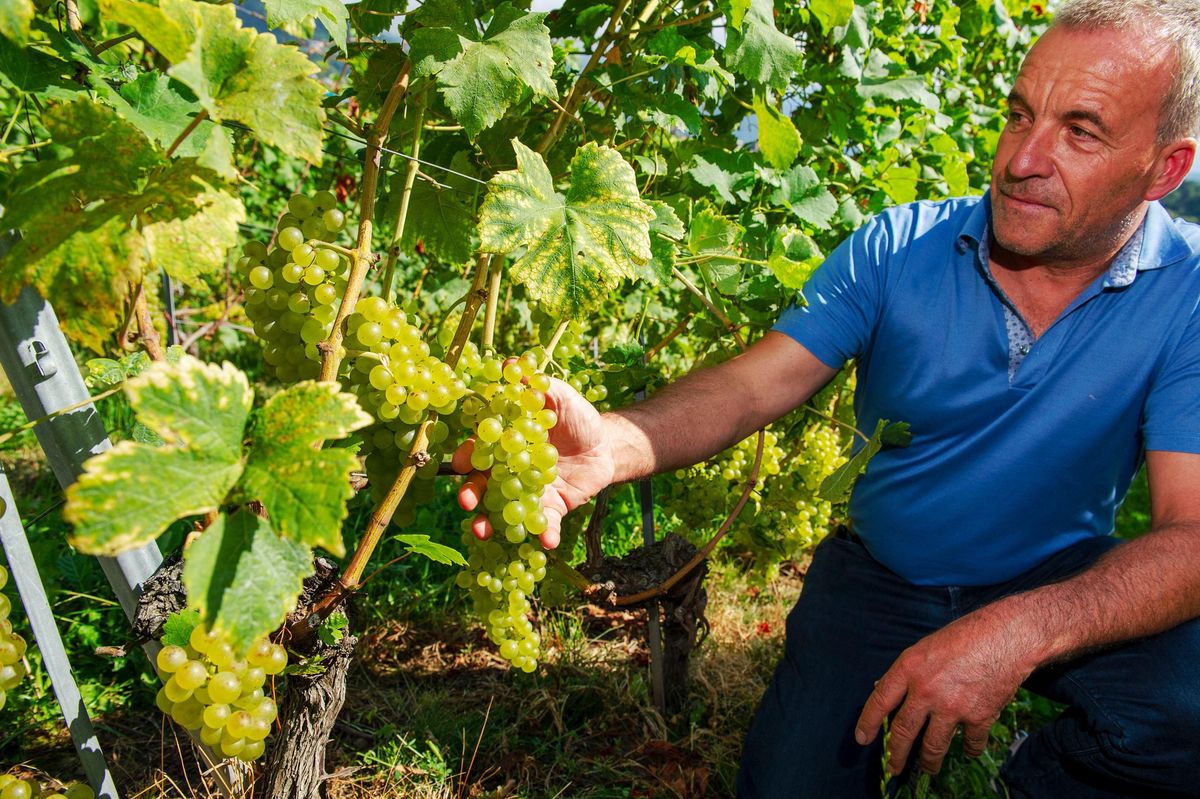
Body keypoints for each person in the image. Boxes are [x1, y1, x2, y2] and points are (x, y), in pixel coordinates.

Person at [456, 1, 1200, 795]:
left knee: (1186, 712)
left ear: (1165, 170)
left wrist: (1018, 629)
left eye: (1081, 132)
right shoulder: (896, 248)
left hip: (1055, 576)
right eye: (1020, 115)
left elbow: (1192, 534)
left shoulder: (1188, 299)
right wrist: (612, 443)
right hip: (882, 574)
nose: (1022, 158)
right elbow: (748, 387)